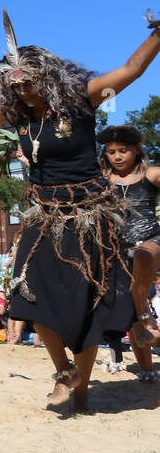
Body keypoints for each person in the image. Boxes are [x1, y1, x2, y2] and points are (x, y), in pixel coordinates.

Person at [0, 9, 160, 411]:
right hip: (45, 219)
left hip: (90, 219)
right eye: (16, 86)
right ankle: (63, 372)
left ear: (47, 77)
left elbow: (132, 69)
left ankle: (82, 389)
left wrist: (158, 34)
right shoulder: (14, 116)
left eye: (29, 83)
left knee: (87, 305)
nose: (23, 92)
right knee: (30, 299)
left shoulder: (82, 101)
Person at [99, 125, 160, 380]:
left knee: (142, 255)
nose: (117, 156)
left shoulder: (152, 174)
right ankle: (146, 370)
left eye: (123, 151)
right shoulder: (102, 179)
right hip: (119, 248)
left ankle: (147, 318)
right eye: (111, 151)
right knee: (129, 308)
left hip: (152, 240)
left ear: (136, 149)